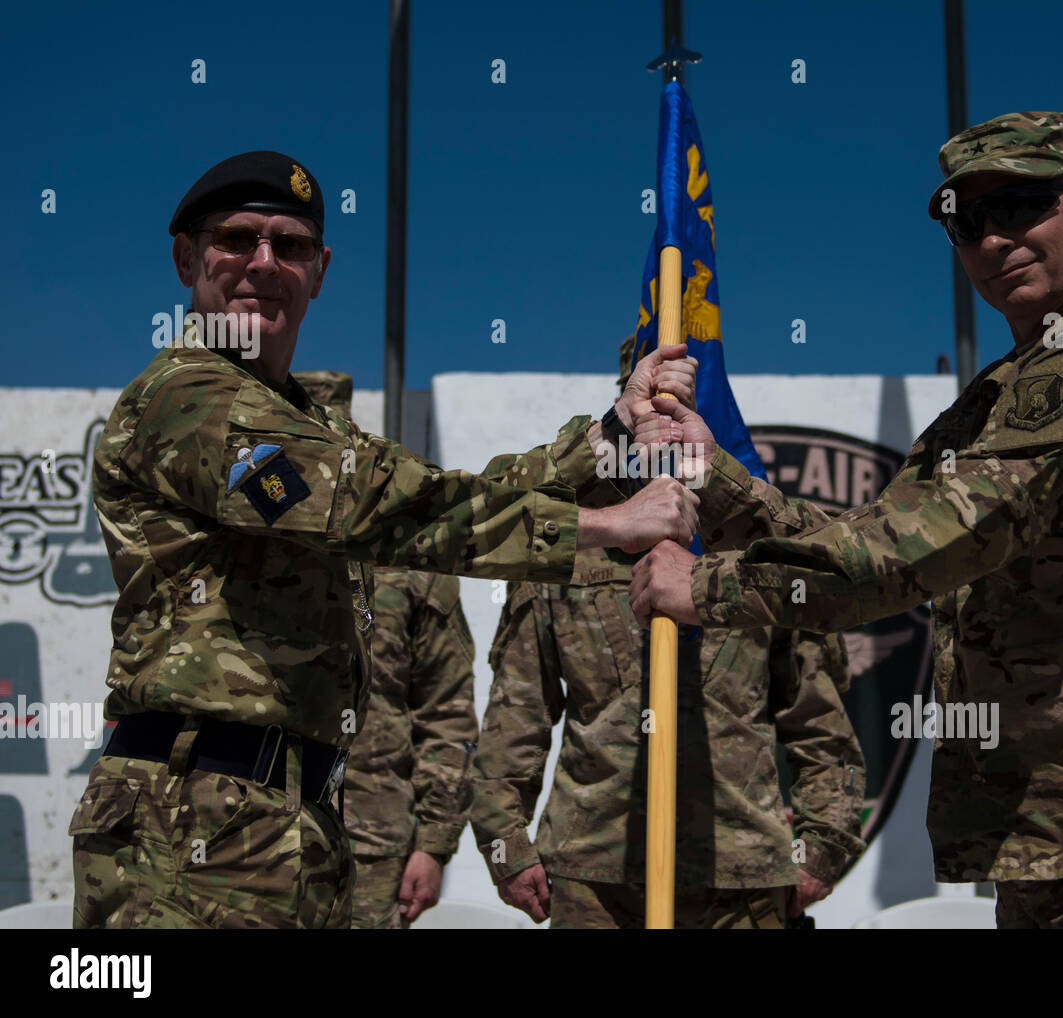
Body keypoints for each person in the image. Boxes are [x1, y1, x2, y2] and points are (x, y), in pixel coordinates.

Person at [630, 113, 1063, 929]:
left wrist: (708, 586)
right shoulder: (1002, 395)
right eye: (967, 219)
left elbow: (942, 538)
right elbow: (890, 529)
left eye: (1020, 204)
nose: (993, 238)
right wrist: (715, 475)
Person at [69, 150, 699, 929]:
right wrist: (604, 525)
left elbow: (441, 491)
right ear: (186, 258)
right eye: (237, 239)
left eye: (290, 246)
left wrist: (613, 433)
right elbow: (369, 503)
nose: (263, 264)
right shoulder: (186, 399)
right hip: (186, 826)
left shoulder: (315, 427)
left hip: (298, 827)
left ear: (320, 270)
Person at [470, 348, 866, 929]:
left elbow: (819, 726)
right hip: (593, 875)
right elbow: (517, 716)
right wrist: (504, 846)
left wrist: (822, 851)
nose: (663, 424)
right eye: (650, 406)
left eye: (679, 404)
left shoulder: (761, 559)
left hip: (742, 878)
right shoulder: (568, 550)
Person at [296, 371, 476, 930]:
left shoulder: (410, 560)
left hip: (372, 847)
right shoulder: (232, 554)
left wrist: (434, 843)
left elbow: (446, 712)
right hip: (243, 841)